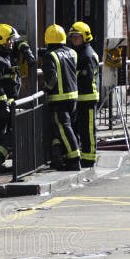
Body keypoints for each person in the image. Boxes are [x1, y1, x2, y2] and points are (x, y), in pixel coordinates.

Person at [0, 23, 28, 174]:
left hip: (7, 103)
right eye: (9, 40)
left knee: (8, 133)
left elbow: (19, 43)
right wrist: (3, 105)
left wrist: (26, 50)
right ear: (0, 40)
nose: (11, 43)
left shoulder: (6, 56)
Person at [42, 24, 81, 171]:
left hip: (59, 99)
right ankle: (60, 157)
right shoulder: (72, 52)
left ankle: (74, 159)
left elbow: (52, 77)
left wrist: (46, 88)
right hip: (73, 97)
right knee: (64, 129)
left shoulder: (49, 56)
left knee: (64, 129)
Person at [68, 21, 100, 168]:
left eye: (77, 37)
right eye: (72, 36)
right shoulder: (80, 52)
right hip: (80, 98)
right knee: (81, 128)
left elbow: (85, 78)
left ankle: (90, 158)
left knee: (88, 130)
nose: (74, 39)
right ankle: (85, 155)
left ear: (85, 37)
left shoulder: (86, 55)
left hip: (87, 98)